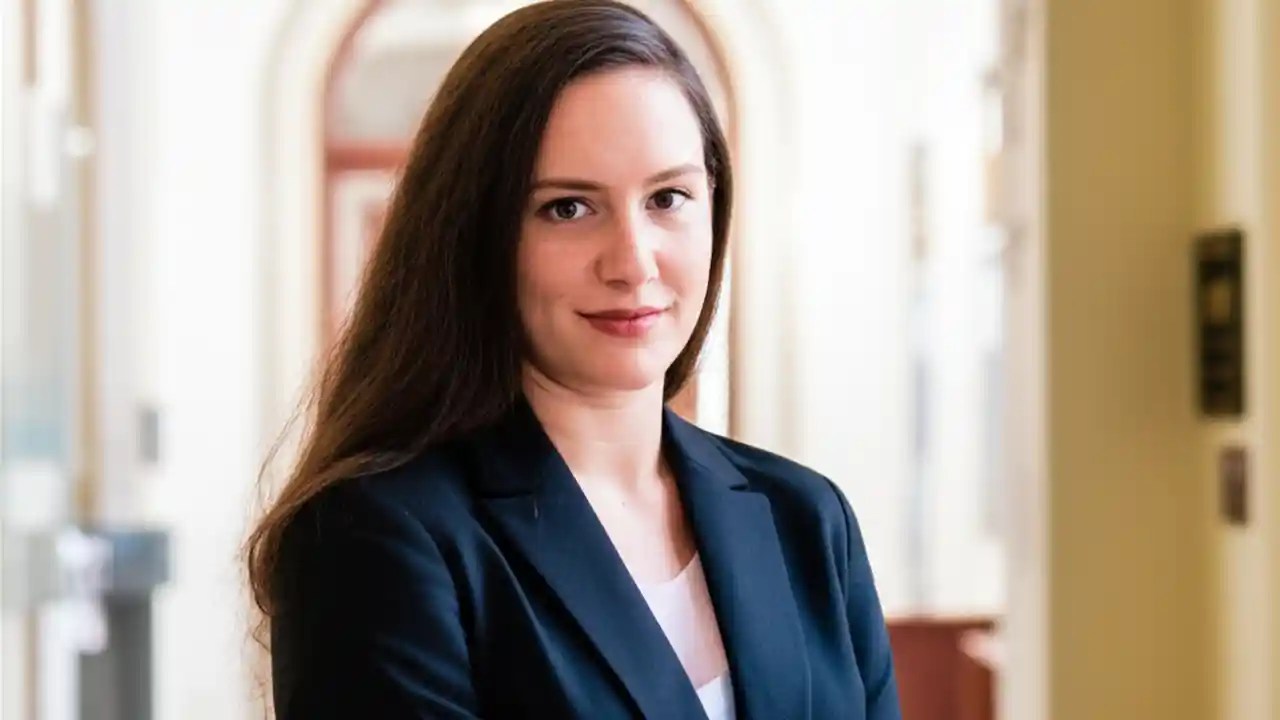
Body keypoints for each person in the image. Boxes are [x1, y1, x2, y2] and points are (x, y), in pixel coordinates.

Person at [244, 1, 901, 718]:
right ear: (477, 235)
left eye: (668, 198)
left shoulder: (807, 521)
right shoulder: (373, 537)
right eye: (568, 208)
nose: (633, 261)